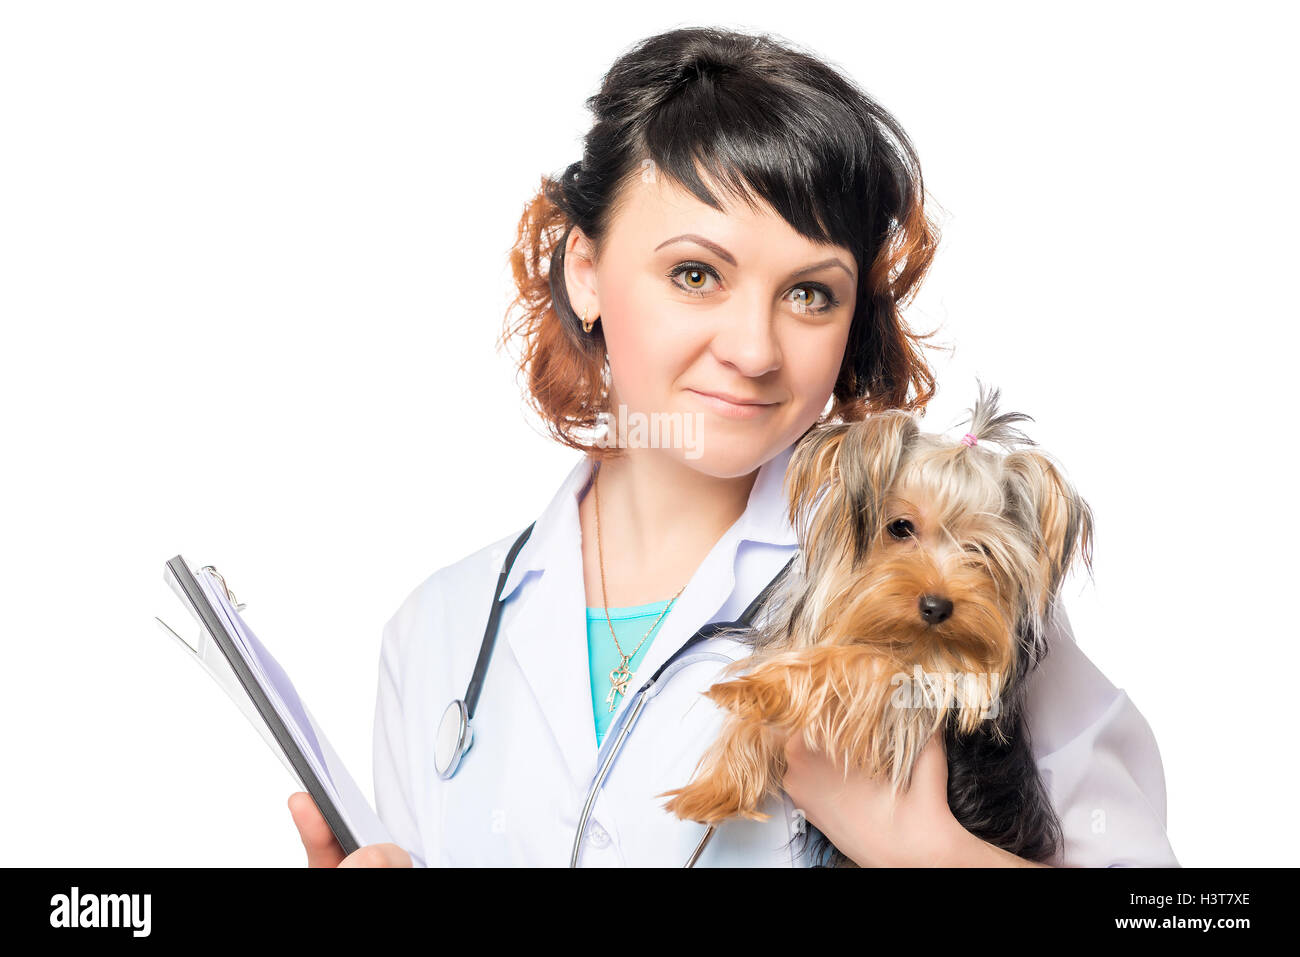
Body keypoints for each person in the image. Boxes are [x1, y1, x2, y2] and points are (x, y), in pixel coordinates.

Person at [287, 26, 1179, 867]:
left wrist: (931, 854)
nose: (753, 349)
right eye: (696, 274)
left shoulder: (950, 598)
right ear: (587, 273)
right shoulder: (441, 630)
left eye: (810, 294)